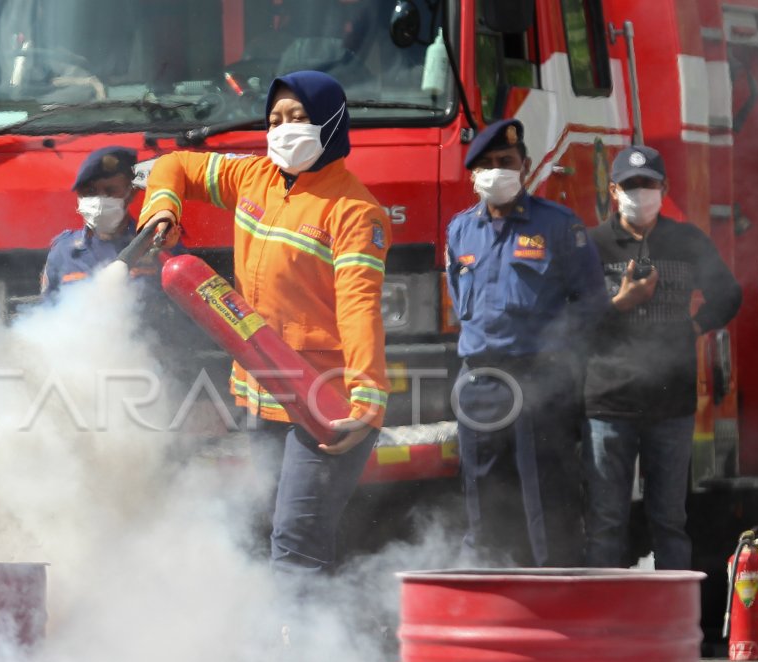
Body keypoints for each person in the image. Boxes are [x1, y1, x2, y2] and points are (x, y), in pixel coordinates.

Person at [138, 70, 390, 584]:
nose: (283, 130)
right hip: (261, 394)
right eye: (274, 119)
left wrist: (366, 402)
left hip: (324, 406)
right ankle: (287, 645)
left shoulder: (355, 211)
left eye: (297, 118)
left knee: (296, 543)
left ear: (330, 121)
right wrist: (164, 207)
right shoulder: (255, 178)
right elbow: (173, 164)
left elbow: (358, 308)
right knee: (265, 531)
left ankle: (302, 655)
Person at [444, 118, 608, 567]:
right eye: (487, 164)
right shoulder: (460, 230)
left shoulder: (559, 225)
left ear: (526, 166)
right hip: (480, 381)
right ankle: (495, 596)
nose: (497, 171)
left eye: (507, 162)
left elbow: (592, 302)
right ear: (472, 174)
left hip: (541, 379)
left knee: (547, 497)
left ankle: (557, 600)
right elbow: (460, 299)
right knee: (483, 494)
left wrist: (558, 359)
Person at [582, 144, 742, 569]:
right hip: (608, 402)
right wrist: (619, 302)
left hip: (671, 402)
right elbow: (569, 315)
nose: (640, 193)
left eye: (648, 184)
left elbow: (728, 293)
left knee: (670, 520)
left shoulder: (686, 240)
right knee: (605, 520)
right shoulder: (592, 245)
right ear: (613, 190)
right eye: (630, 185)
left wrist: (693, 327)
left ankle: (676, 626)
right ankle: (601, 623)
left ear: (664, 189)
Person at [41, 146, 147, 297]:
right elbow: (48, 311)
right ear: (79, 196)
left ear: (131, 193)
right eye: (90, 192)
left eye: (110, 191)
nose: (100, 200)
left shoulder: (157, 246)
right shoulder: (63, 252)